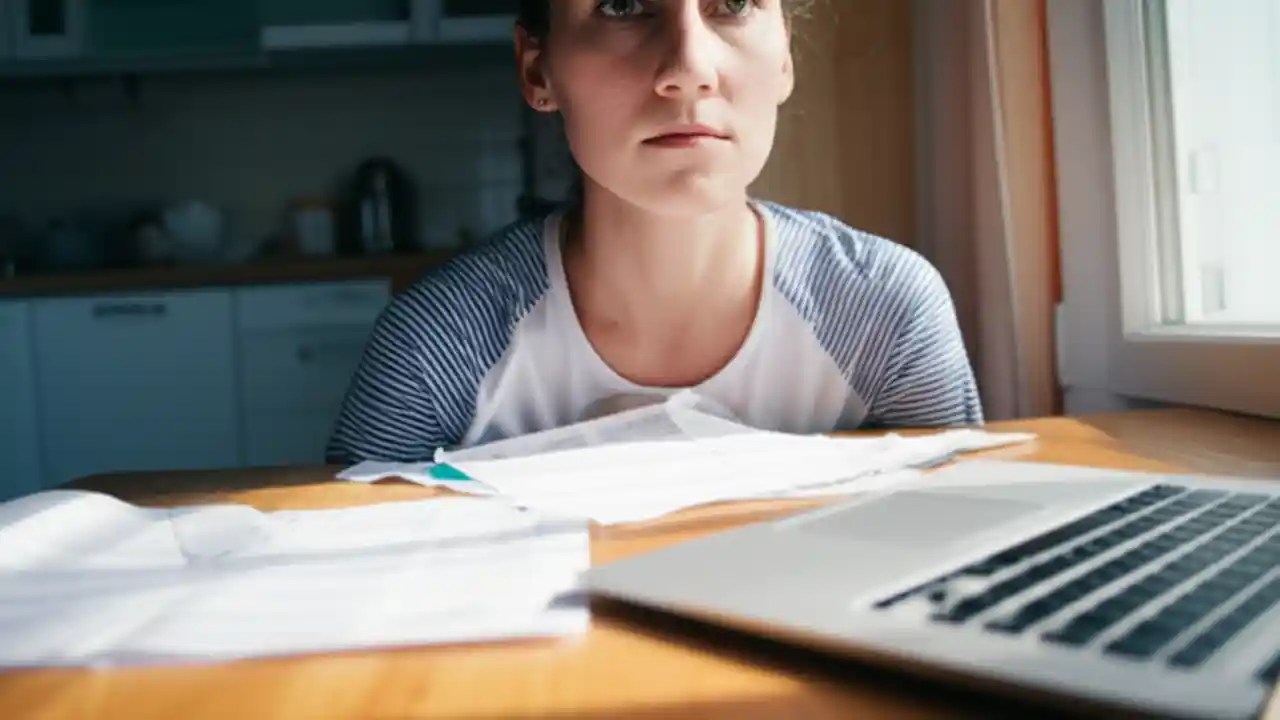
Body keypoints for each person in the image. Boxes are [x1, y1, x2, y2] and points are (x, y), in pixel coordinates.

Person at [326, 0, 981, 464]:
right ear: (538, 70)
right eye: (621, 5)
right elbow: (340, 590)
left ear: (785, 56)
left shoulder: (882, 313)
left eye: (733, 3)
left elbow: (966, 551)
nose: (690, 65)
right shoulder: (441, 346)